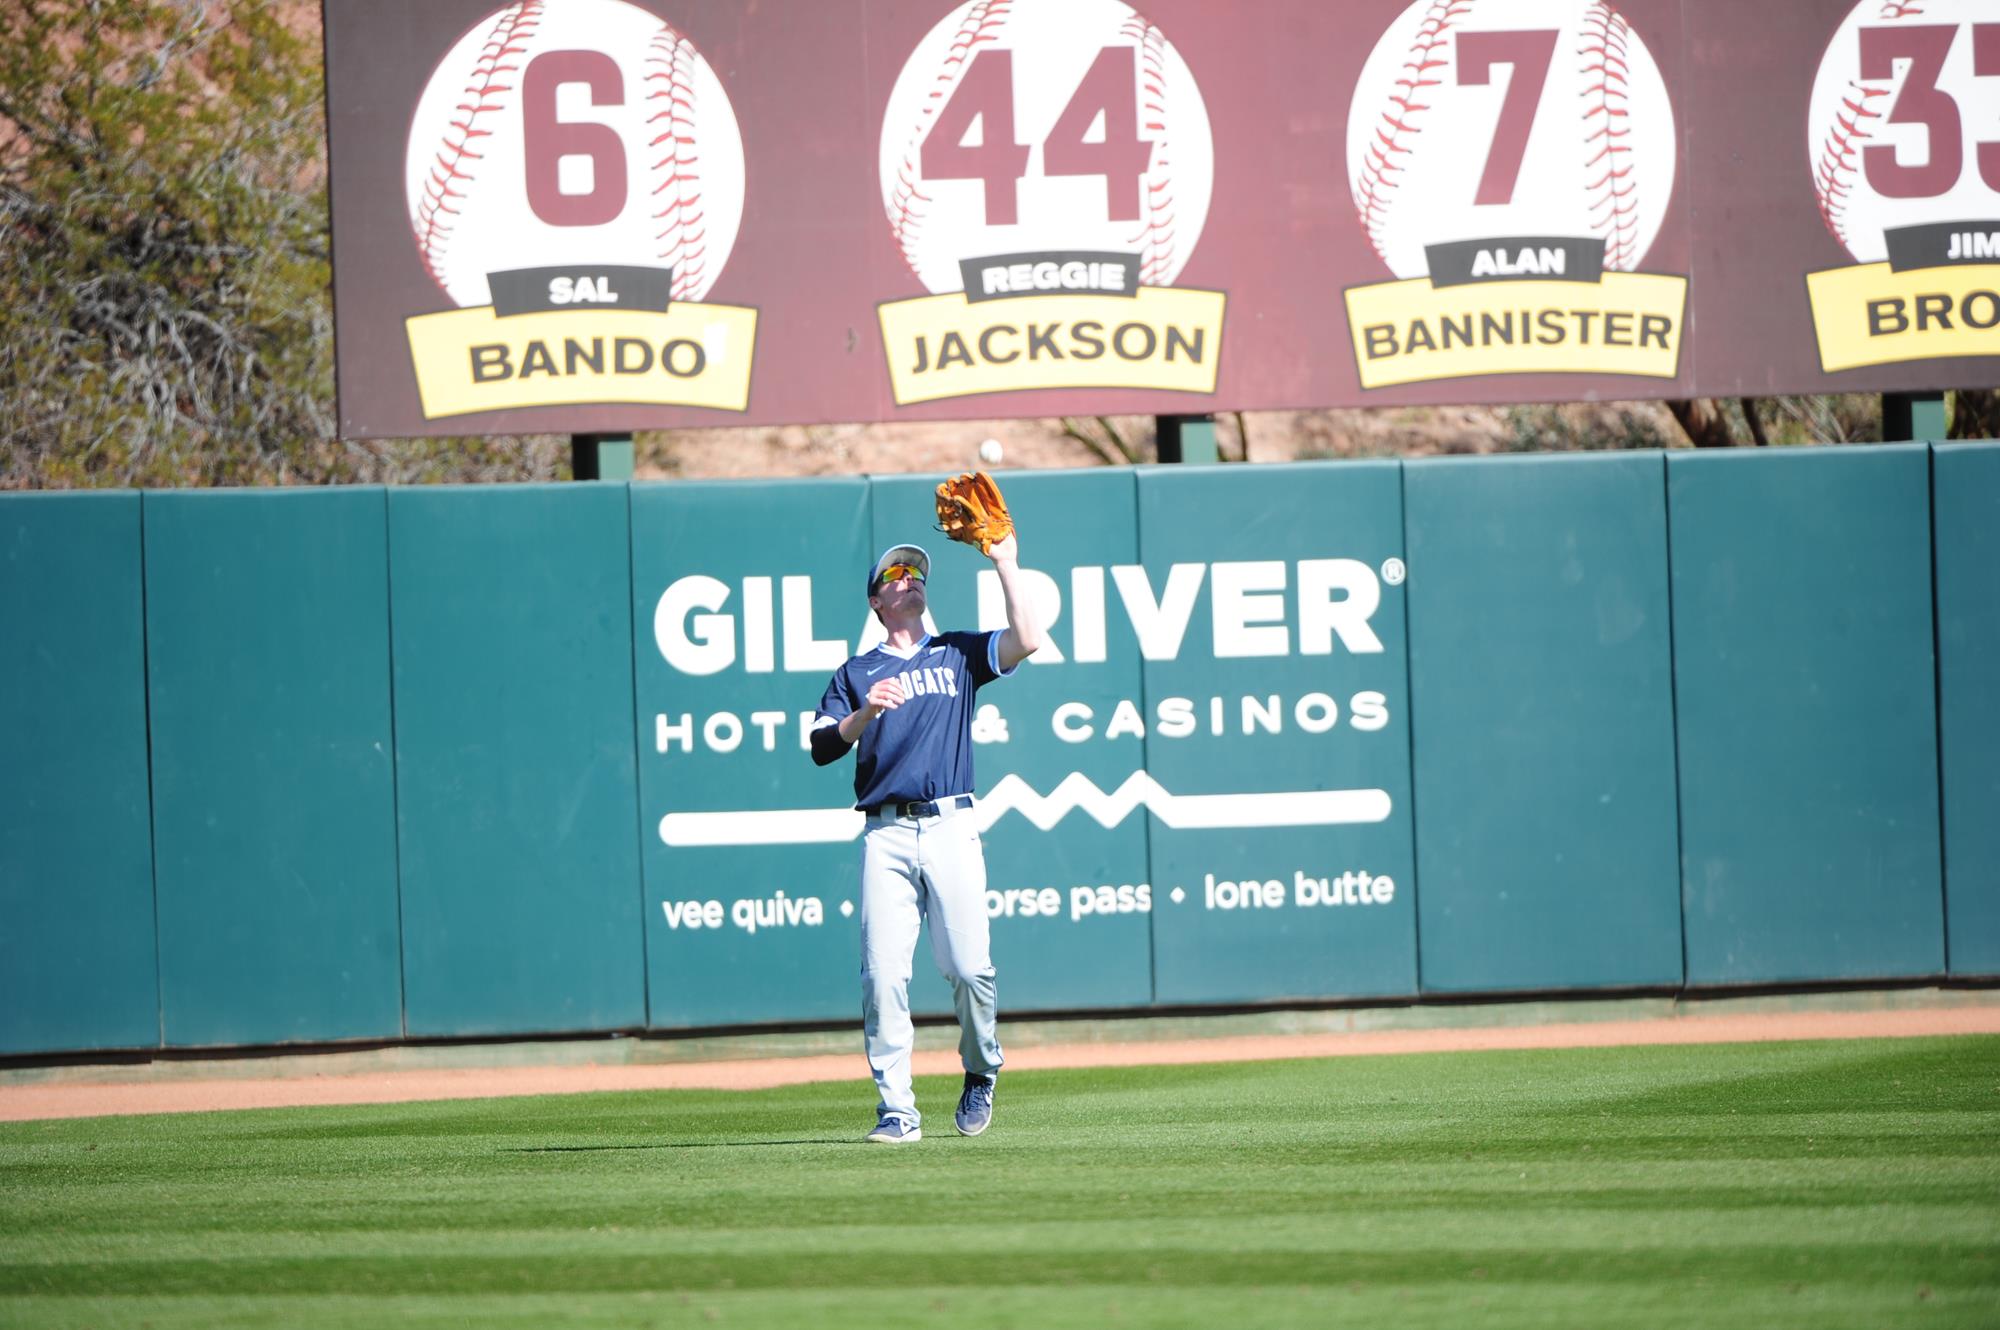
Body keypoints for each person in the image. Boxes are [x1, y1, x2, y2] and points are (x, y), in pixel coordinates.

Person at [808, 530, 1042, 1142]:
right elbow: (820, 747)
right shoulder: (856, 672)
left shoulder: (955, 653)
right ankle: (897, 1111)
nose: (908, 577)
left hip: (951, 824)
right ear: (877, 603)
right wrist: (864, 714)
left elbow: (1028, 640)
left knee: (968, 969)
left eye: (915, 571)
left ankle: (981, 1068)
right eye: (895, 575)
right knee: (883, 976)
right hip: (884, 833)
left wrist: (1005, 561)